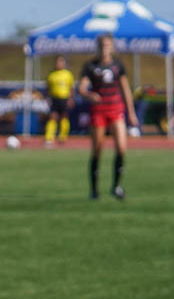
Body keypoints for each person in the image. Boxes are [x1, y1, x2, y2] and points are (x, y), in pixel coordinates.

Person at [78, 34, 137, 201]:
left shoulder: (118, 65)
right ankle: (94, 190)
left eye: (108, 45)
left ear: (112, 47)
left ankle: (116, 186)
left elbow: (125, 88)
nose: (105, 48)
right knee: (97, 150)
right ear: (98, 47)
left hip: (116, 109)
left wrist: (131, 112)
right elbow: (81, 88)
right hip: (99, 111)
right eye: (102, 45)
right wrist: (89, 94)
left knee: (121, 148)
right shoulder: (90, 66)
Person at [44, 55, 74, 147]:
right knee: (52, 117)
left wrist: (71, 99)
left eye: (61, 62)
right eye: (58, 62)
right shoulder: (51, 75)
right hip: (54, 98)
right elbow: (48, 88)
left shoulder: (68, 74)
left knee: (64, 117)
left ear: (64, 63)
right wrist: (48, 97)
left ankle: (62, 137)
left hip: (64, 98)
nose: (59, 64)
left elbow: (71, 88)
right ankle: (49, 138)